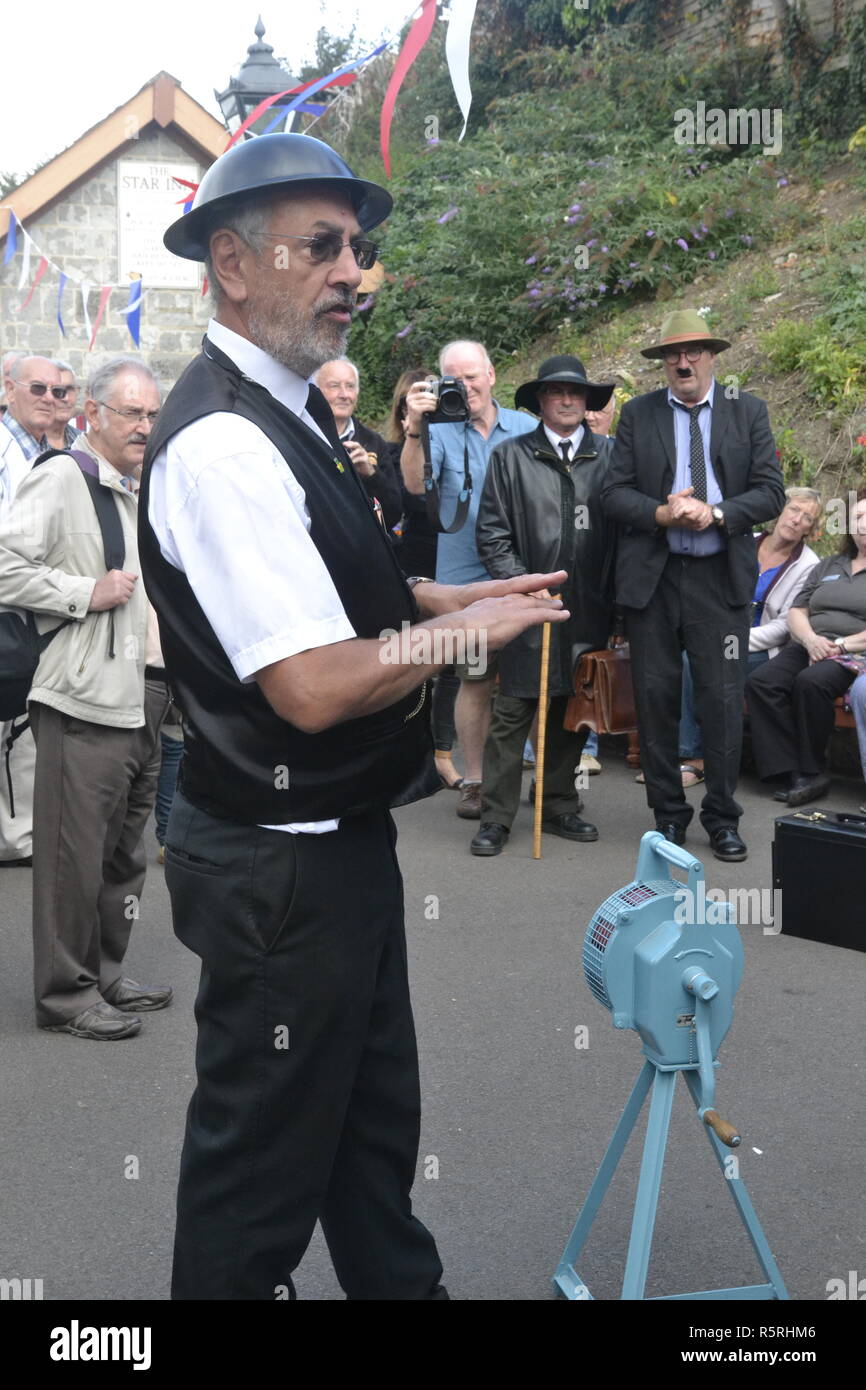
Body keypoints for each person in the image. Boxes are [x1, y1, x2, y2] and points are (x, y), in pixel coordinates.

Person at [139, 130, 568, 1300]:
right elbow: (312, 683)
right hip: (282, 873)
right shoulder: (225, 441)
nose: (351, 272)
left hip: (334, 850)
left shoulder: (288, 414)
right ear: (232, 263)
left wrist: (446, 593)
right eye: (320, 246)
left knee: (368, 1141)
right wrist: (457, 638)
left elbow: (337, 593)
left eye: (358, 248)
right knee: (259, 1179)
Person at [0, 356, 172, 1038]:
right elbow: (4, 565)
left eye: (153, 414)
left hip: (147, 695)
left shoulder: (137, 486)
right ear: (91, 415)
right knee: (74, 858)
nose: (145, 426)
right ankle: (65, 996)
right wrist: (81, 593)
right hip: (82, 698)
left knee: (123, 857)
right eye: (132, 412)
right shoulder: (62, 477)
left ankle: (102, 973)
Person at [602, 309, 785, 862]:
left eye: (694, 352)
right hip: (653, 584)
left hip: (717, 579)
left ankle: (724, 819)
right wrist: (663, 513)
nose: (683, 362)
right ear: (662, 363)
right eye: (672, 355)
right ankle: (669, 819)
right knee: (656, 700)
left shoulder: (746, 410)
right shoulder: (637, 414)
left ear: (712, 356)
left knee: (722, 700)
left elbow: (771, 492)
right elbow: (612, 495)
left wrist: (719, 512)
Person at [471, 356, 616, 855]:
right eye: (557, 392)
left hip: (589, 608)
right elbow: (491, 532)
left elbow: (625, 534)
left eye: (577, 393)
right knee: (513, 709)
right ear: (540, 401)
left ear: (588, 402)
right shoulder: (510, 457)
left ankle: (557, 806)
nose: (569, 400)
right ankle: (496, 817)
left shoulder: (612, 456)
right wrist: (524, 586)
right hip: (526, 608)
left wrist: (616, 602)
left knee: (570, 712)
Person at [401, 340, 536, 818]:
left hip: (520, 572)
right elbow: (415, 487)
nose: (467, 387)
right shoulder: (436, 430)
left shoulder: (525, 427)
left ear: (493, 374)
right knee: (475, 679)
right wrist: (416, 431)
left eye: (473, 376)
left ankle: (543, 779)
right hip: (462, 579)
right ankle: (475, 781)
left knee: (536, 676)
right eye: (454, 380)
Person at [653, 486, 823, 790]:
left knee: (698, 663)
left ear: (811, 529)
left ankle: (694, 759)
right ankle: (667, 755)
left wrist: (731, 639)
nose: (797, 520)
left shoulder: (807, 564)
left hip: (764, 649)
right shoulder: (747, 541)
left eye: (807, 518)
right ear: (780, 511)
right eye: (794, 510)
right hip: (718, 631)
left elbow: (785, 626)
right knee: (679, 657)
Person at [746, 489, 866, 807]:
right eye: (857, 517)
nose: (863, 524)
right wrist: (811, 640)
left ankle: (813, 770)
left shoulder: (810, 560)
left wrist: (839, 645)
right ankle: (788, 769)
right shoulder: (829, 565)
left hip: (853, 652)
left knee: (810, 683)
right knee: (762, 682)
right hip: (811, 643)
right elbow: (798, 610)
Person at [387, 367, 461, 790]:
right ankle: (401, 751)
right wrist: (416, 431)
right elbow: (403, 497)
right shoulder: (395, 450)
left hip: (450, 567)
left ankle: (443, 755)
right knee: (406, 666)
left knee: (450, 667)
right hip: (408, 571)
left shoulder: (461, 445)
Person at [314, 356, 402, 530]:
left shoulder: (373, 443)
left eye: (350, 386)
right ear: (316, 390)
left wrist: (370, 475)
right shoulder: (305, 435)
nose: (344, 395)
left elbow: (390, 517)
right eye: (334, 386)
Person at [1, 355, 63, 461]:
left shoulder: (52, 455)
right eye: (38, 388)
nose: (49, 398)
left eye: (57, 391)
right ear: (11, 390)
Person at [45, 359, 81, 450]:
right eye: (57, 390)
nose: (66, 398)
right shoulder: (27, 445)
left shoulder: (82, 443)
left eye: (70, 389)